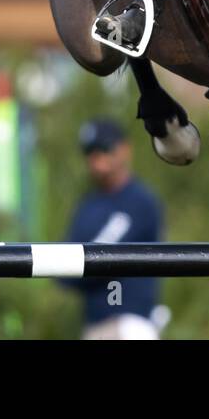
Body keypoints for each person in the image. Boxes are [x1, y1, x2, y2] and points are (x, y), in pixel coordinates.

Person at [60, 119, 164, 339]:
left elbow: (98, 258)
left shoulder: (140, 201)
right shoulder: (88, 204)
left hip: (130, 324)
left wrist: (78, 268)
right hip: (95, 325)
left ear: (125, 149)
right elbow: (65, 271)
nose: (97, 159)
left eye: (104, 149)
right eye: (91, 152)